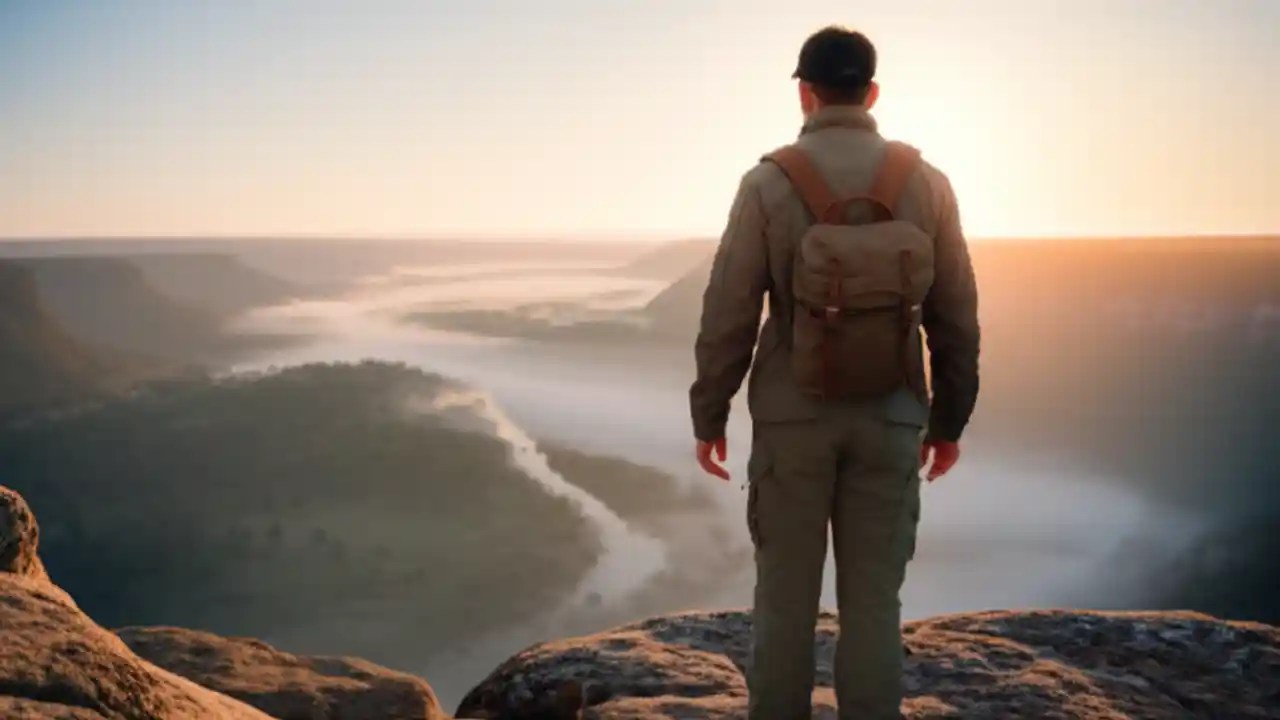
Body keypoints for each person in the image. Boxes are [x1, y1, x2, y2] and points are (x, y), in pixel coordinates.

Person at [689, 25, 980, 720]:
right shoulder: (928, 183)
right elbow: (957, 314)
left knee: (784, 600)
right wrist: (949, 422)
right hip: (892, 416)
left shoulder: (767, 182)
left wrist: (710, 415)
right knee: (875, 604)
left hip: (793, 421)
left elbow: (729, 309)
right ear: (872, 92)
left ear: (805, 93)